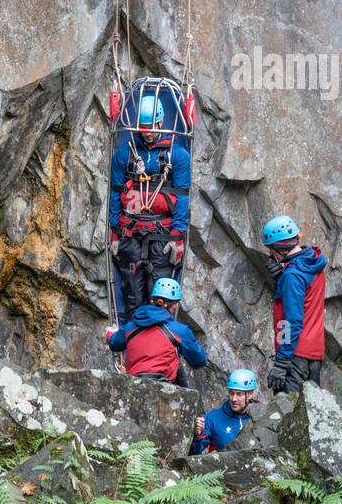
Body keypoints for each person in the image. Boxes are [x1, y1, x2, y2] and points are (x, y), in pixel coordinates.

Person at [108, 94, 191, 323]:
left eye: (151, 127)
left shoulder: (178, 156)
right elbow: (115, 194)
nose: (147, 132)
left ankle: (158, 347)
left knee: (160, 296)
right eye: (143, 128)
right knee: (132, 297)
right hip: (130, 236)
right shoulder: (124, 154)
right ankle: (134, 347)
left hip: (162, 237)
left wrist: (177, 238)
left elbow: (182, 198)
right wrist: (115, 233)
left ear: (161, 121)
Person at [261, 214, 328, 394]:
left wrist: (282, 362)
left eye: (271, 249)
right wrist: (280, 279)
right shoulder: (312, 262)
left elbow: (292, 322)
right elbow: (306, 300)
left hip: (295, 354)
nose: (270, 254)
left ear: (280, 248)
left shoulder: (292, 276)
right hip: (314, 353)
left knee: (287, 414)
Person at [105, 277, 207, 386]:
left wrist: (110, 333)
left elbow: (114, 343)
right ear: (175, 304)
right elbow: (199, 361)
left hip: (133, 383)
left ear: (152, 300)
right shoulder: (180, 331)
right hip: (163, 386)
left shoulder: (131, 326)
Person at [189, 369, 257, 455]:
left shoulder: (260, 418)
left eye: (239, 394)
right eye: (231, 393)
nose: (234, 399)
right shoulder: (213, 418)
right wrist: (198, 435)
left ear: (250, 394)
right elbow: (193, 455)